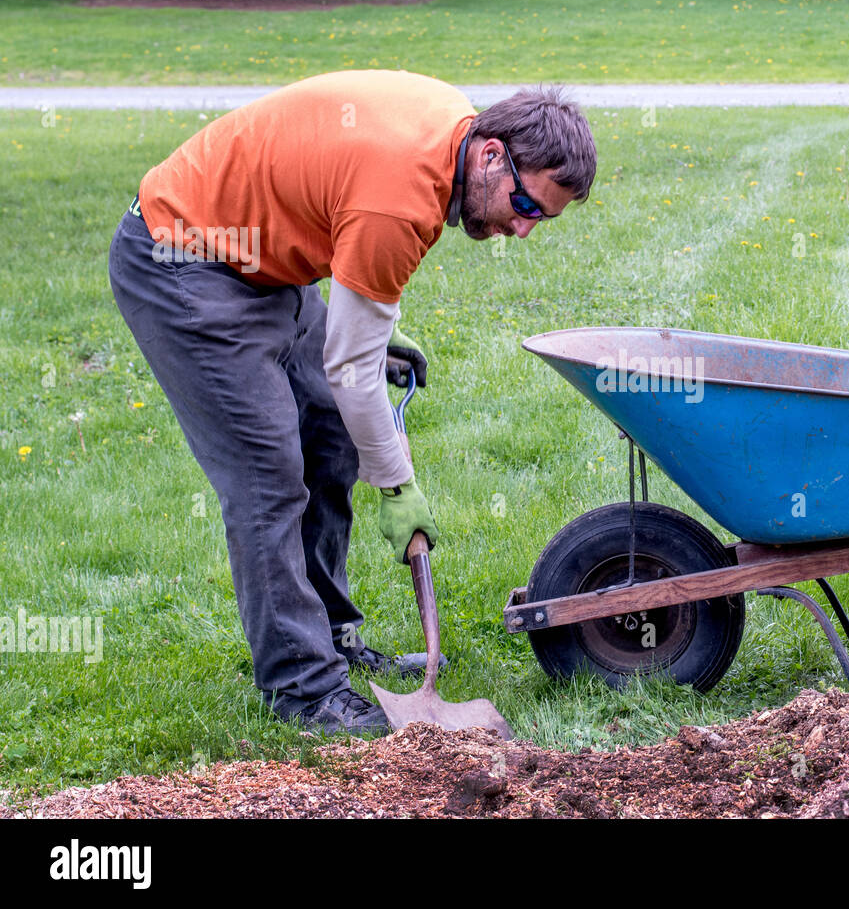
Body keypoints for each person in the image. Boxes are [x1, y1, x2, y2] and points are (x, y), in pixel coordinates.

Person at [108, 70, 597, 735]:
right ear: (491, 154)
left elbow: (339, 211)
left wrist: (372, 327)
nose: (523, 230)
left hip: (262, 262)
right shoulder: (403, 199)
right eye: (528, 206)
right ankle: (303, 690)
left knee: (331, 436)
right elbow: (352, 367)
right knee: (268, 477)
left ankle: (331, 635)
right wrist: (397, 488)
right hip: (185, 263)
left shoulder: (454, 126)